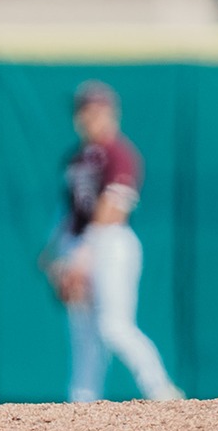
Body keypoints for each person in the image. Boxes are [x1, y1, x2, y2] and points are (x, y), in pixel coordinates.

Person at [39, 80, 184, 403]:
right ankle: (82, 402)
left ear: (109, 112)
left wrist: (81, 254)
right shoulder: (75, 158)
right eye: (81, 109)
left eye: (92, 109)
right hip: (78, 244)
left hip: (111, 244)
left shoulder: (119, 153)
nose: (85, 116)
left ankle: (160, 390)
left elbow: (114, 208)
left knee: (114, 326)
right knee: (83, 334)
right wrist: (53, 254)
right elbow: (71, 211)